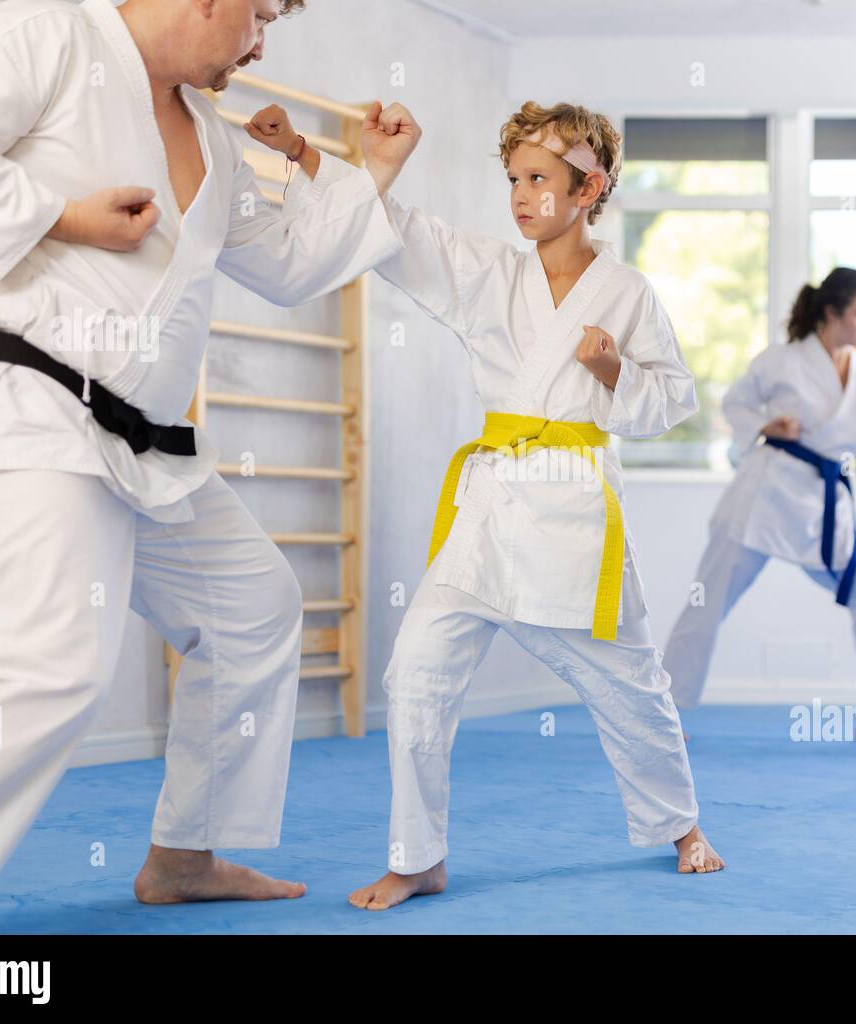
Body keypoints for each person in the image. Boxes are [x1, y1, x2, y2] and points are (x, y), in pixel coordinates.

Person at [0, 0, 413, 934]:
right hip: (26, 404)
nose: (261, 43)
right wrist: (61, 216)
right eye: (257, 16)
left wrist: (370, 173)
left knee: (253, 606)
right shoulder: (41, 35)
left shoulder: (211, 138)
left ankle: (185, 855)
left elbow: (291, 265)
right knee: (47, 665)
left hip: (139, 442)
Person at [248, 98, 725, 910]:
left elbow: (673, 401)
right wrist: (300, 150)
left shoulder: (629, 293)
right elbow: (394, 230)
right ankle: (418, 856)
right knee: (416, 675)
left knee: (631, 684)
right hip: (489, 507)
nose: (522, 194)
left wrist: (614, 373)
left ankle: (680, 825)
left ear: (590, 187)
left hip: (572, 513)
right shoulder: (488, 273)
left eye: (540, 178)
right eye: (513, 178)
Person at [664, 269, 856, 744]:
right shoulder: (781, 361)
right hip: (763, 498)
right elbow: (735, 406)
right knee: (707, 604)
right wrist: (766, 425)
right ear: (831, 312)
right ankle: (665, 719)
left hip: (824, 509)